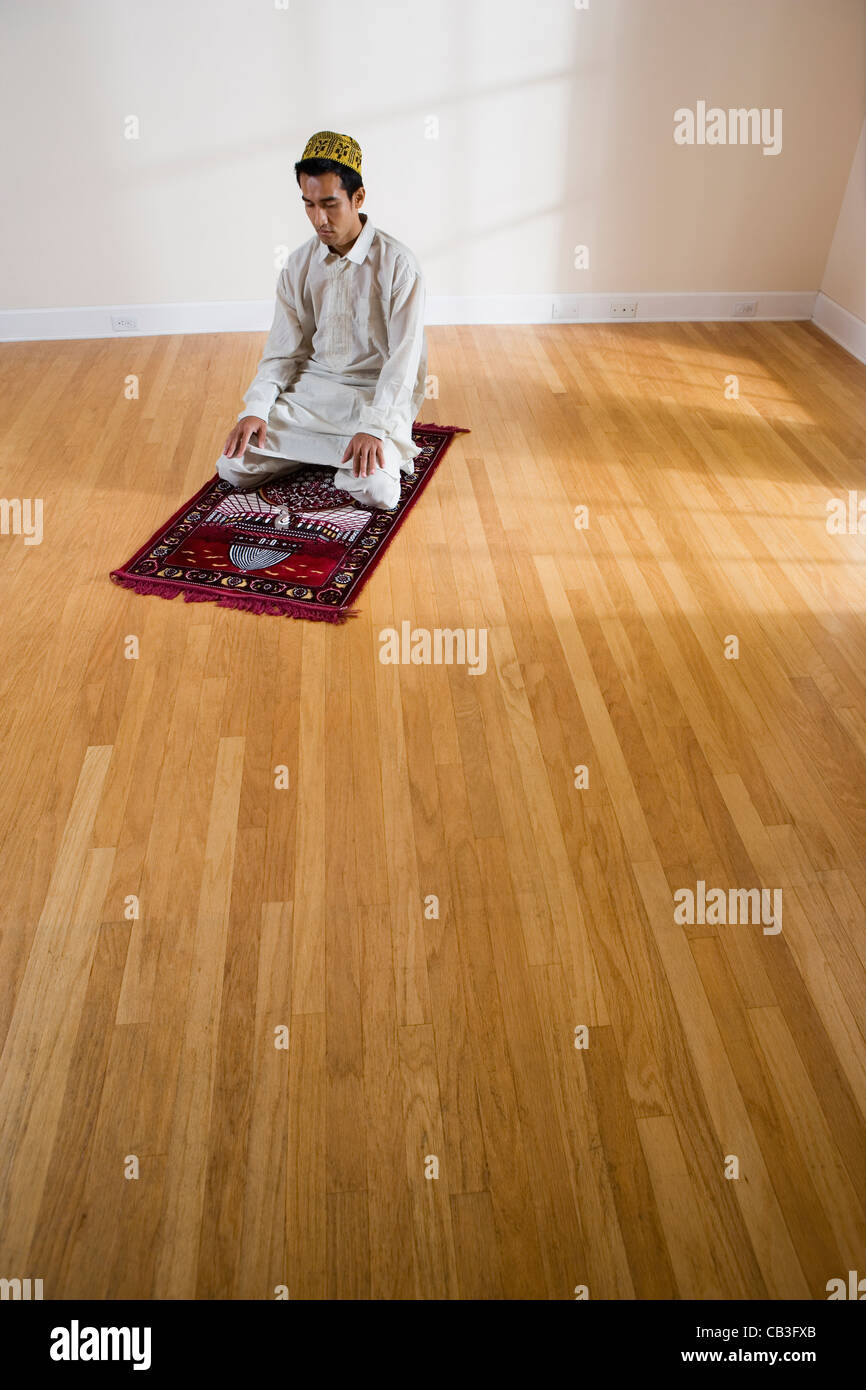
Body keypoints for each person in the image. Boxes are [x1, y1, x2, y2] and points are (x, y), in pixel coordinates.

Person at [217, 130, 427, 511]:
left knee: (379, 492)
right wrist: (256, 409)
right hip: (312, 395)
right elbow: (282, 353)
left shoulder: (399, 265)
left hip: (373, 395)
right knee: (233, 465)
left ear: (358, 197)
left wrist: (374, 426)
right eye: (309, 205)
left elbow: (404, 360)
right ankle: (325, 453)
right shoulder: (298, 264)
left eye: (330, 204)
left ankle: (339, 451)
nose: (319, 219)